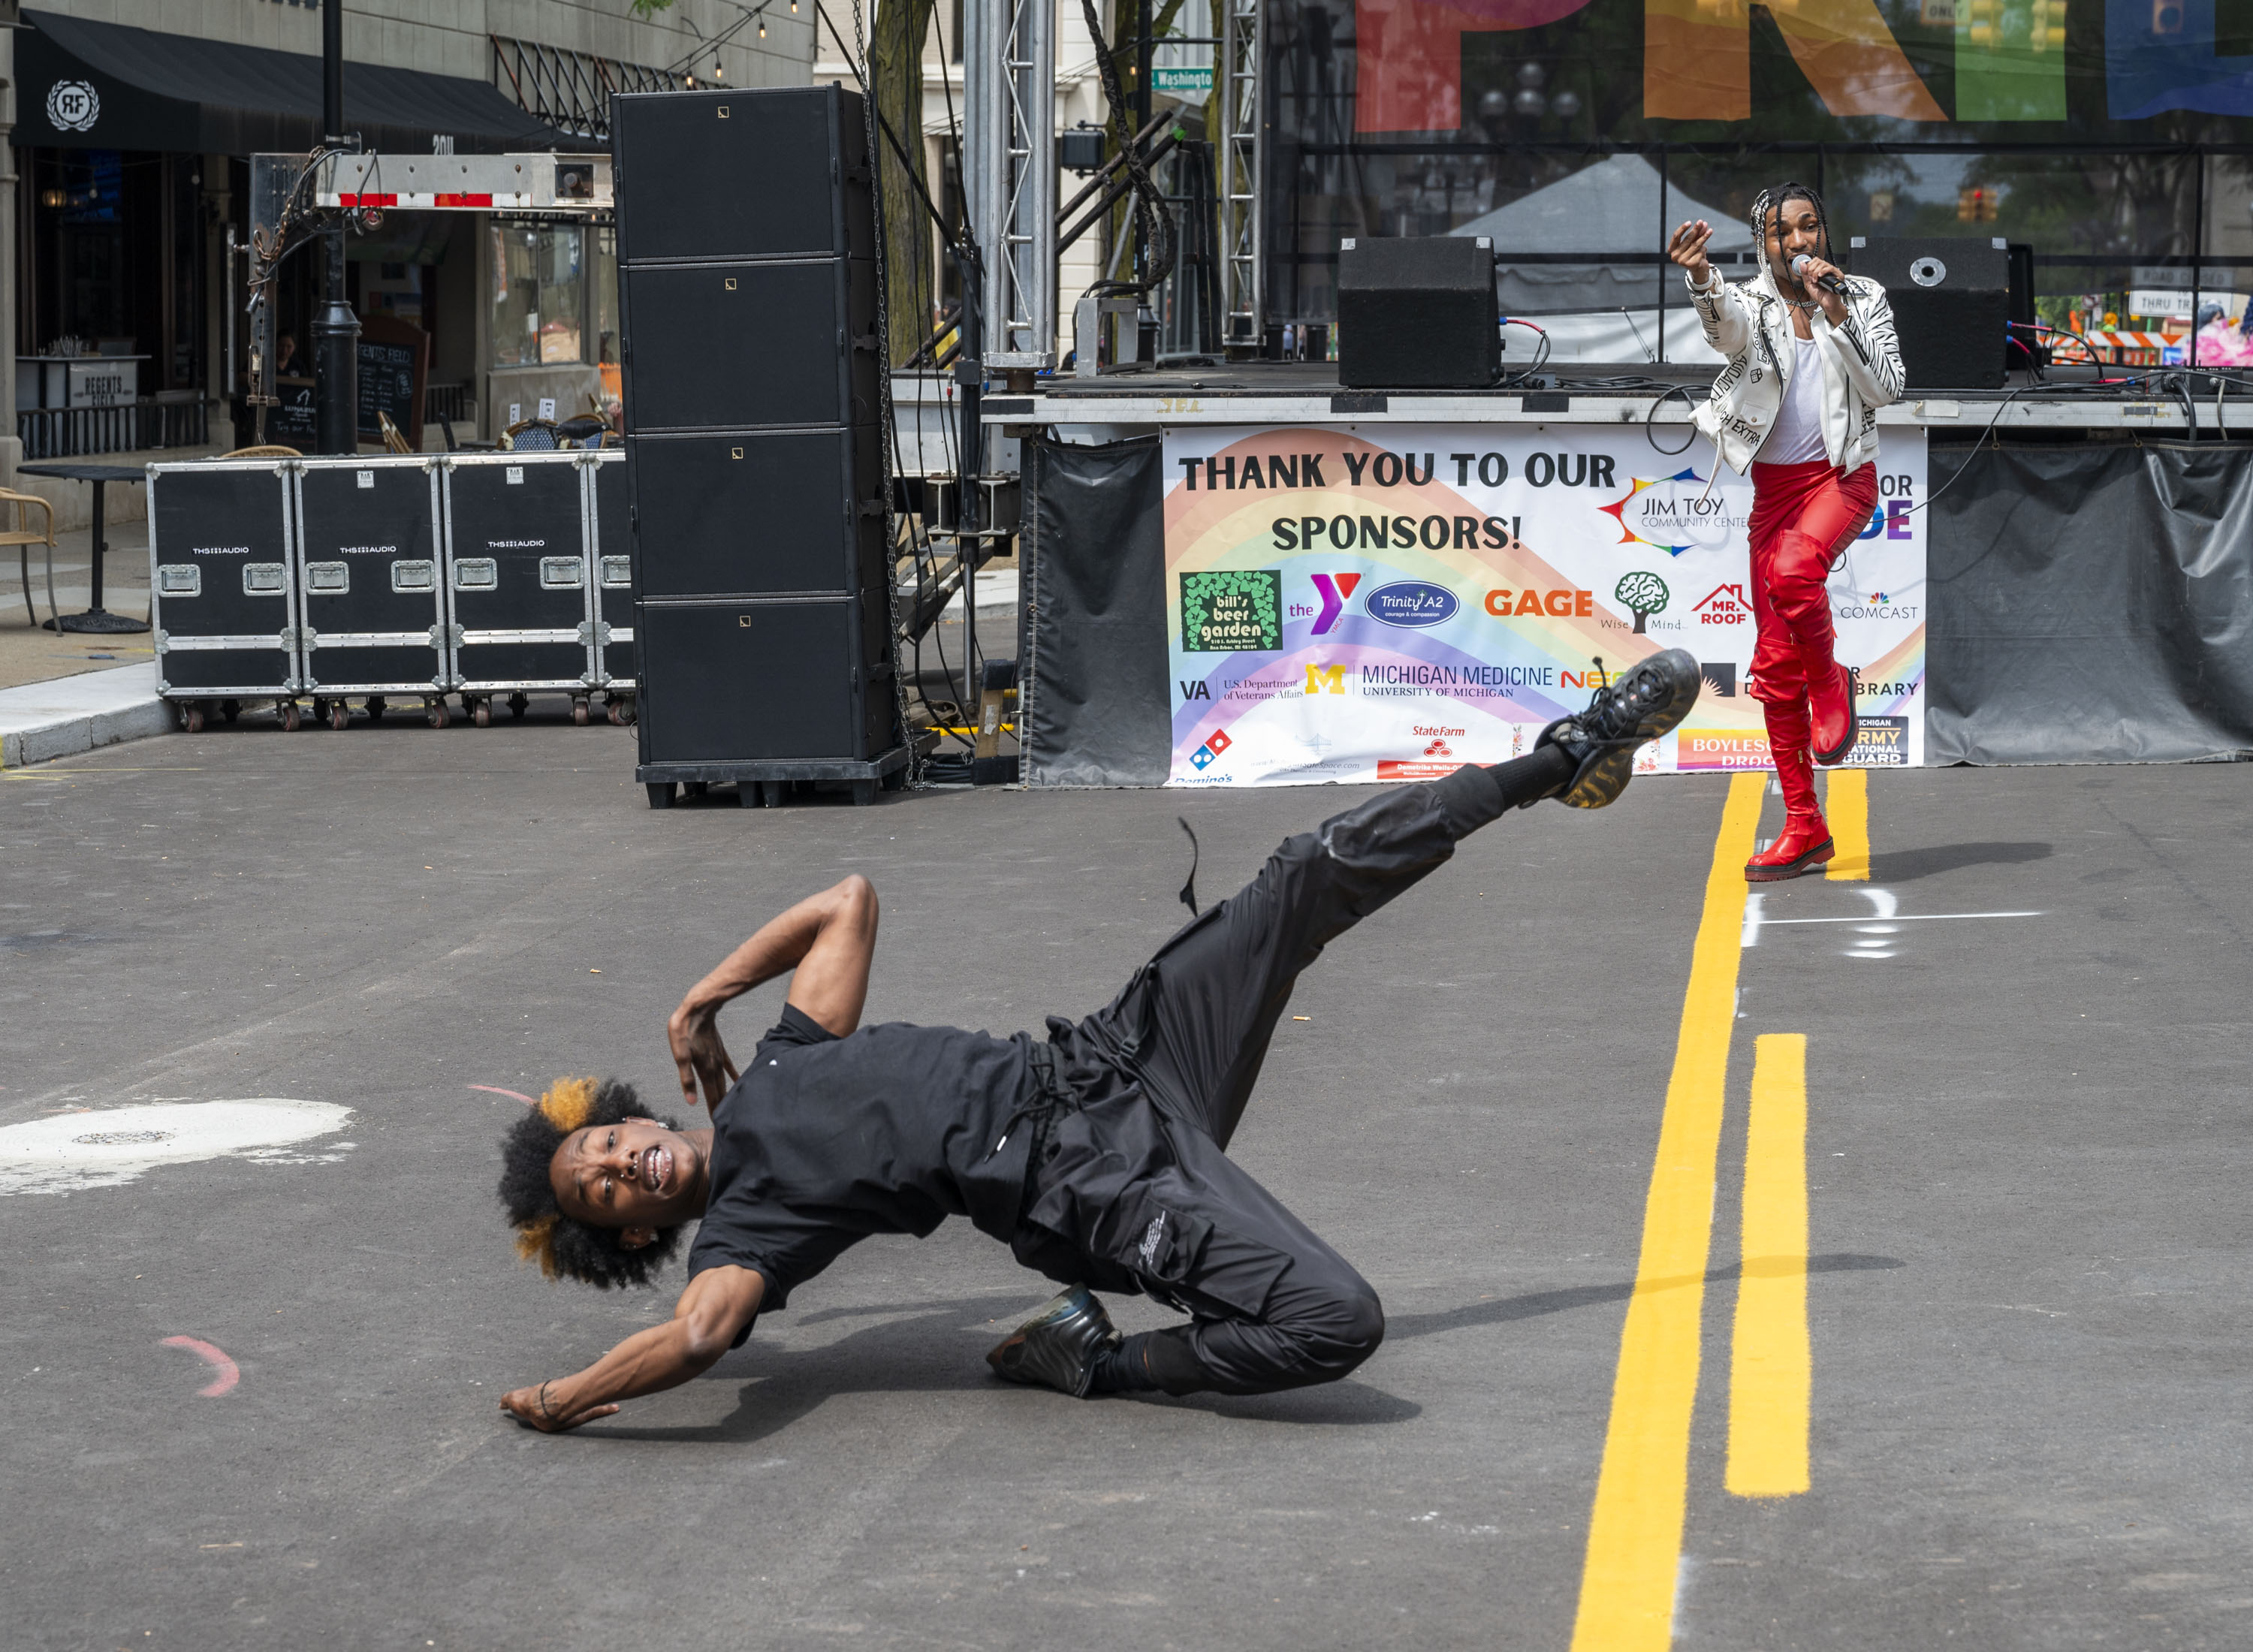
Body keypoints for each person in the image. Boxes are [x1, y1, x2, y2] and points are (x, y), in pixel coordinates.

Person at [493, 652, 1703, 1430]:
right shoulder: (750, 1232)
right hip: (1099, 1190)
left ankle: (1565, 757)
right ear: (638, 1230)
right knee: (1338, 1324)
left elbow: (848, 897)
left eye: (606, 1142)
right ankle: (1099, 1361)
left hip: (1122, 1058)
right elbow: (699, 1339)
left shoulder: (783, 1061)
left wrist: (704, 996)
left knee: (1303, 875)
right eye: (604, 1194)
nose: (617, 1165)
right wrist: (564, 1397)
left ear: (637, 1112)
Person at [1666, 184, 1905, 882]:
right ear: (1762, 244)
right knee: (1771, 670)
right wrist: (1702, 278)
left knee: (1797, 568)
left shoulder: (1861, 295)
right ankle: (1804, 824)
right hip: (1774, 496)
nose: (1799, 242)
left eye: (1809, 228)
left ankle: (1832, 681)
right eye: (1782, 233)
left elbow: (1888, 388)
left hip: (1841, 480)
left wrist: (1839, 315)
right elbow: (1725, 331)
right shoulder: (1752, 301)